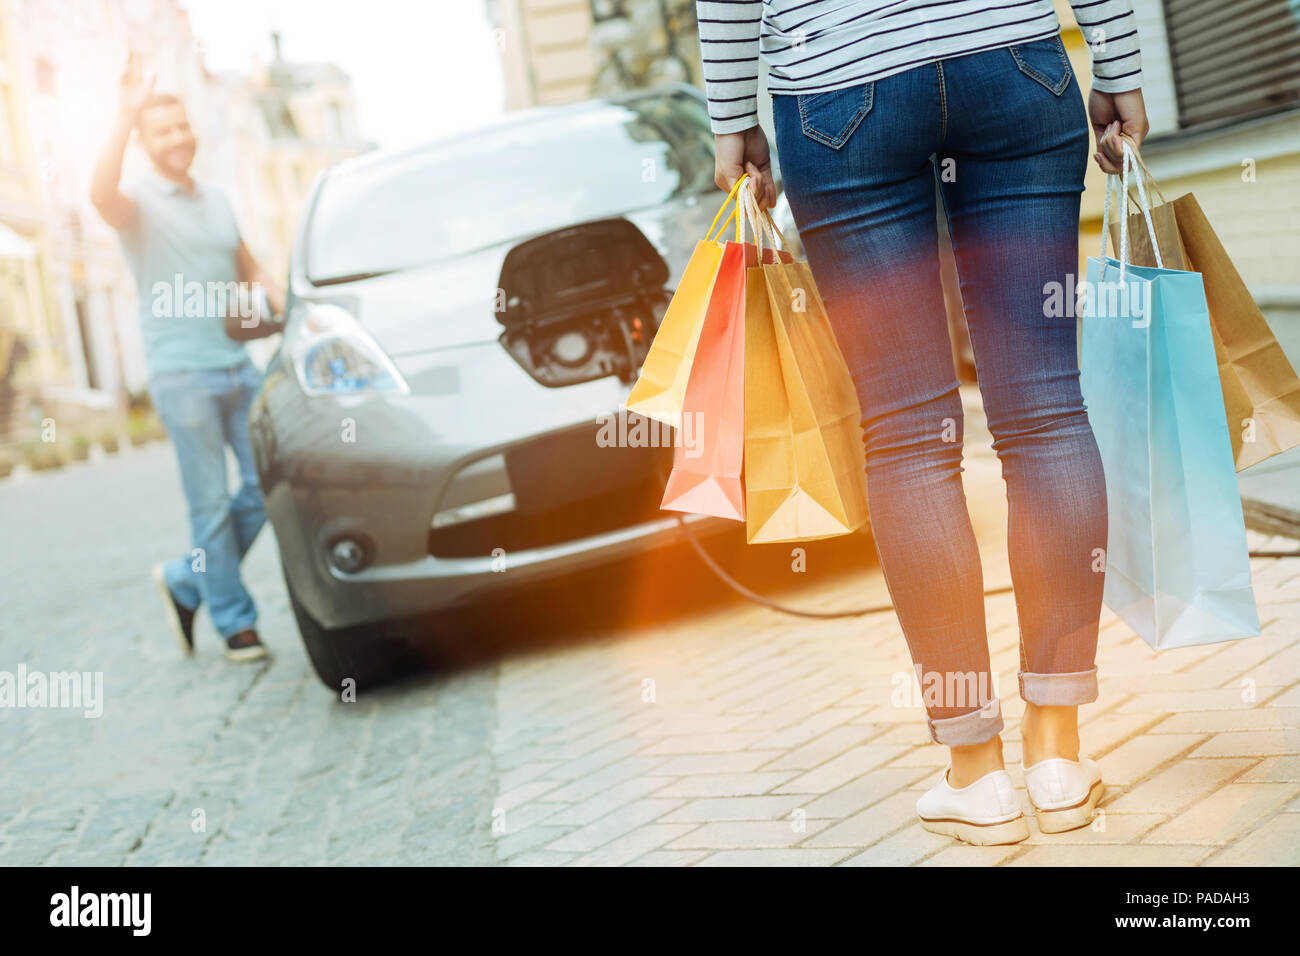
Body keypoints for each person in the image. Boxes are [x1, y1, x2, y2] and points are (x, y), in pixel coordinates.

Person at [696, 0, 1149, 843]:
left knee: (908, 435)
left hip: (838, 89)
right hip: (1010, 63)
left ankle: (977, 775)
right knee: (1046, 411)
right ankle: (1056, 758)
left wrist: (733, 119)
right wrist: (1118, 65)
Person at [91, 53, 285, 663]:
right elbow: (98, 192)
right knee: (208, 504)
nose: (177, 138)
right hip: (183, 376)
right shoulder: (137, 205)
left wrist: (283, 297)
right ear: (146, 144)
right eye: (162, 131)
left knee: (268, 483)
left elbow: (244, 261)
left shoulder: (218, 200)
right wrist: (123, 116)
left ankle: (184, 579)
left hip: (236, 364)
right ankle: (234, 621)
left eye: (181, 126)